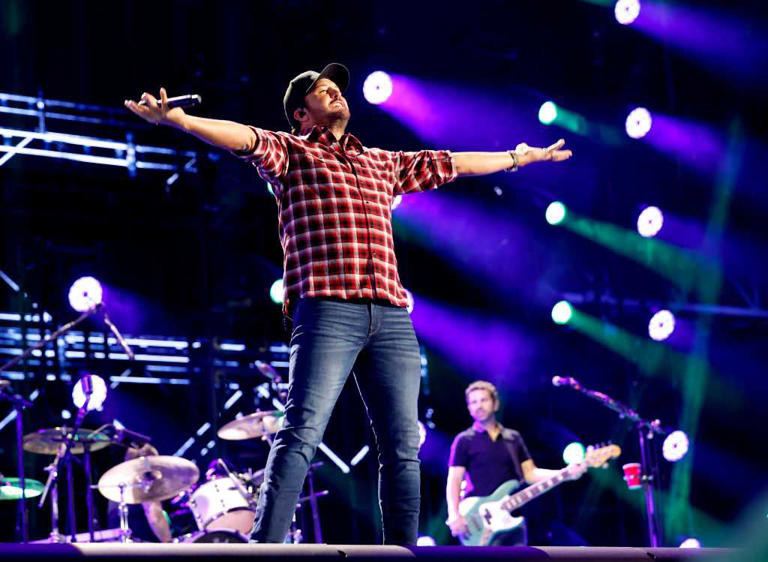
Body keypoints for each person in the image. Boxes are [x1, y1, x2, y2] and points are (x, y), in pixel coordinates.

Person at [125, 63, 573, 545]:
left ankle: (400, 552)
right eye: (322, 91)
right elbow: (244, 138)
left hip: (390, 315)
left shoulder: (379, 162)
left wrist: (516, 157)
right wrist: (182, 121)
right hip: (327, 308)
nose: (335, 93)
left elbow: (453, 163)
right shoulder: (292, 151)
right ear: (302, 114)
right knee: (301, 431)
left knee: (402, 445)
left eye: (335, 88)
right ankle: (266, 548)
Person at [446, 380, 586, 546]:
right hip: (477, 520)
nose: (479, 406)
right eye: (473, 402)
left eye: (483, 400)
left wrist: (565, 473)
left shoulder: (513, 438)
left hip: (511, 521)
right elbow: (454, 479)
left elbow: (530, 473)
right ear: (469, 408)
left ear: (495, 404)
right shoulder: (463, 440)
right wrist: (454, 514)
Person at [106, 443, 172, 543]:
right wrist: (170, 545)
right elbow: (155, 518)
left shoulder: (117, 490)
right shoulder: (143, 483)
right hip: (146, 547)